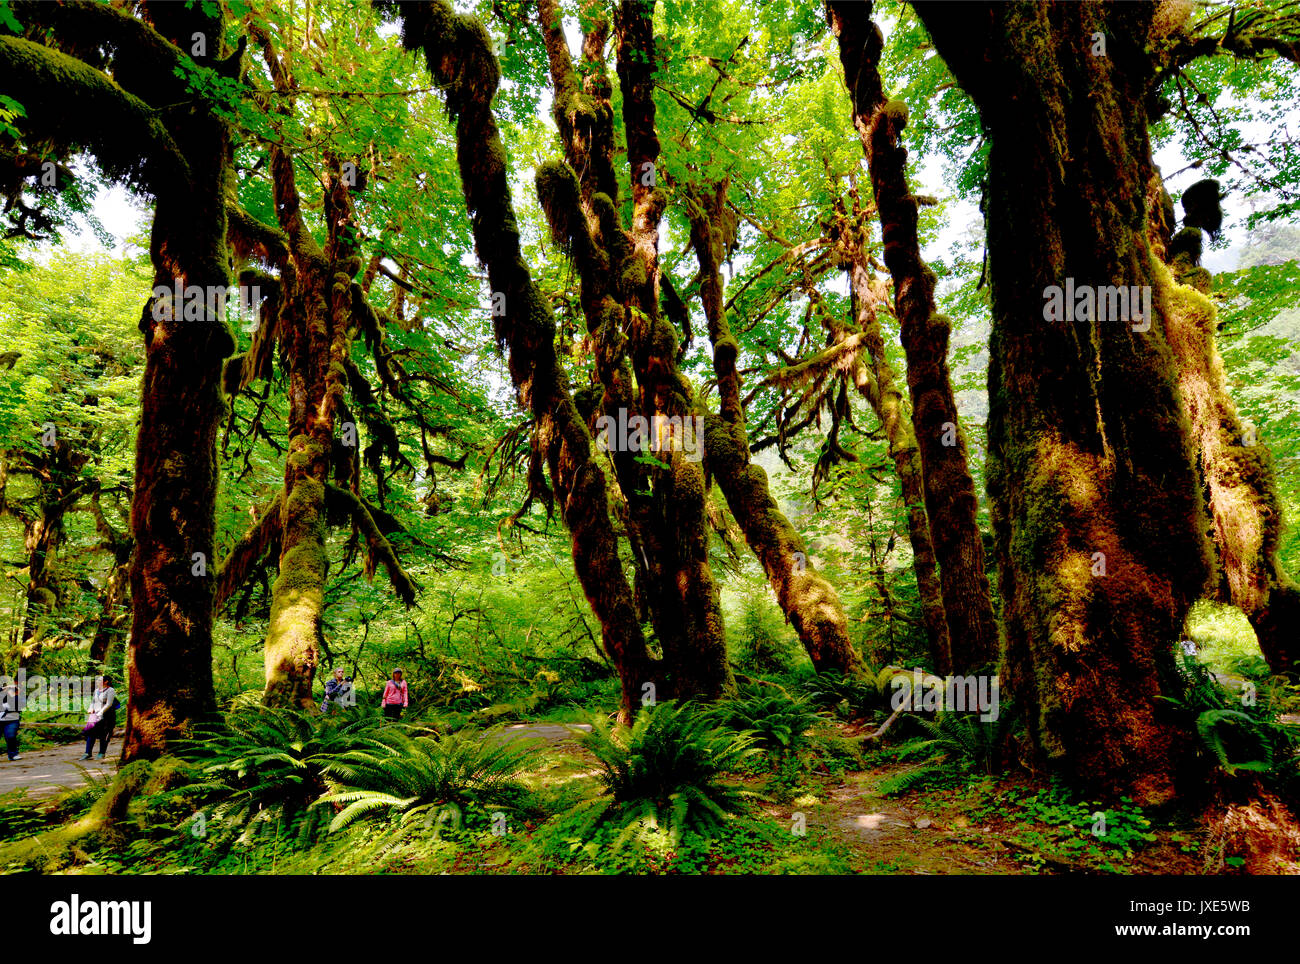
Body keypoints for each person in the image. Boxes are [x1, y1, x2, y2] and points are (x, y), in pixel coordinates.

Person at [81, 675, 119, 760]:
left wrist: (101, 712)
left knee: (104, 734)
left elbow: (109, 704)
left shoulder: (110, 690)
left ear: (106, 682)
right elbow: (93, 702)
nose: (97, 682)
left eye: (99, 680)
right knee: (90, 733)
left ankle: (101, 753)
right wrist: (91, 708)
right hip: (95, 715)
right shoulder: (96, 691)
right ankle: (87, 753)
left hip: (107, 715)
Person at [1, 676, 21, 761]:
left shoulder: (18, 698)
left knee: (10, 736)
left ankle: (13, 754)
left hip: (12, 720)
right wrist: (4, 688)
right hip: (1, 720)